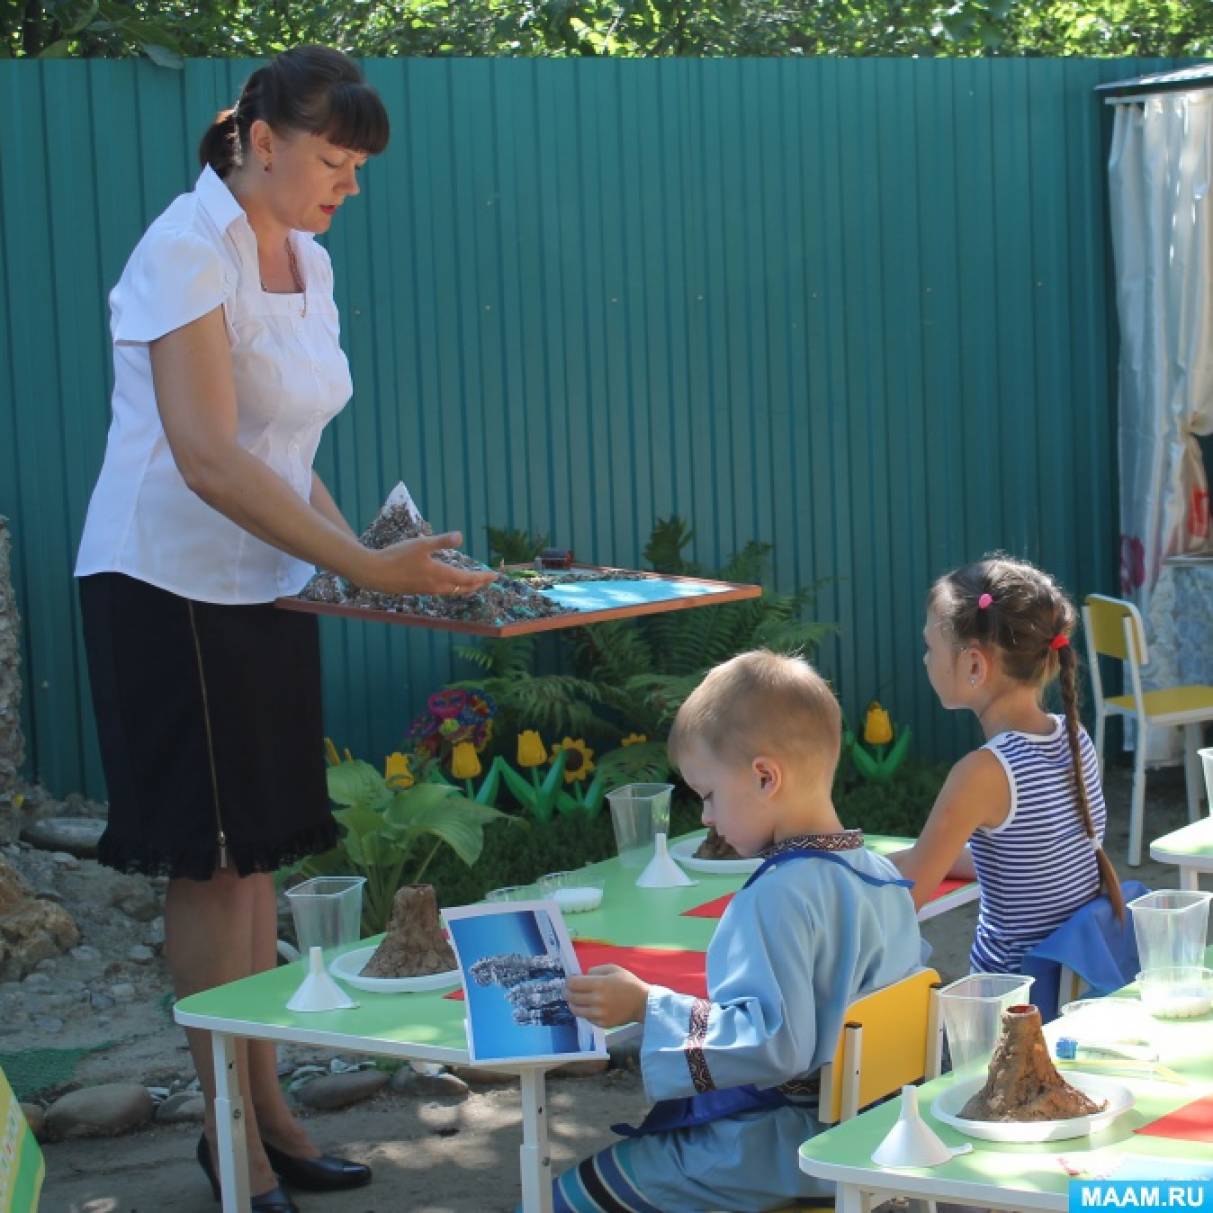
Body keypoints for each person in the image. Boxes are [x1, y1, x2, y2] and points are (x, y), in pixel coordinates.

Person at [74, 47, 493, 1213]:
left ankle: (268, 1113)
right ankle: (229, 1139)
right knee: (210, 868)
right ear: (262, 141)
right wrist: (356, 563)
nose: (347, 185)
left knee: (254, 862)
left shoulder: (303, 258)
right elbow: (206, 454)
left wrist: (367, 570)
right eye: (333, 159)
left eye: (358, 167)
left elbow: (282, 458)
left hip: (264, 584)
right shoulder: (183, 248)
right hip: (165, 588)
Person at [552, 650, 923, 1213]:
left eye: (708, 796)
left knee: (566, 1195)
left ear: (764, 777)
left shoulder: (778, 895)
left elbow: (773, 1044)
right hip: (878, 1127)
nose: (704, 818)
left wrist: (647, 1006)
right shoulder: (883, 875)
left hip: (791, 1146)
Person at [892, 554, 1125, 977]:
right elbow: (1027, 859)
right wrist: (903, 859)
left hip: (1012, 1009)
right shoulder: (1072, 736)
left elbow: (905, 900)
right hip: (1070, 986)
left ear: (975, 665)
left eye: (931, 647)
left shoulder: (981, 773)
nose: (926, 659)